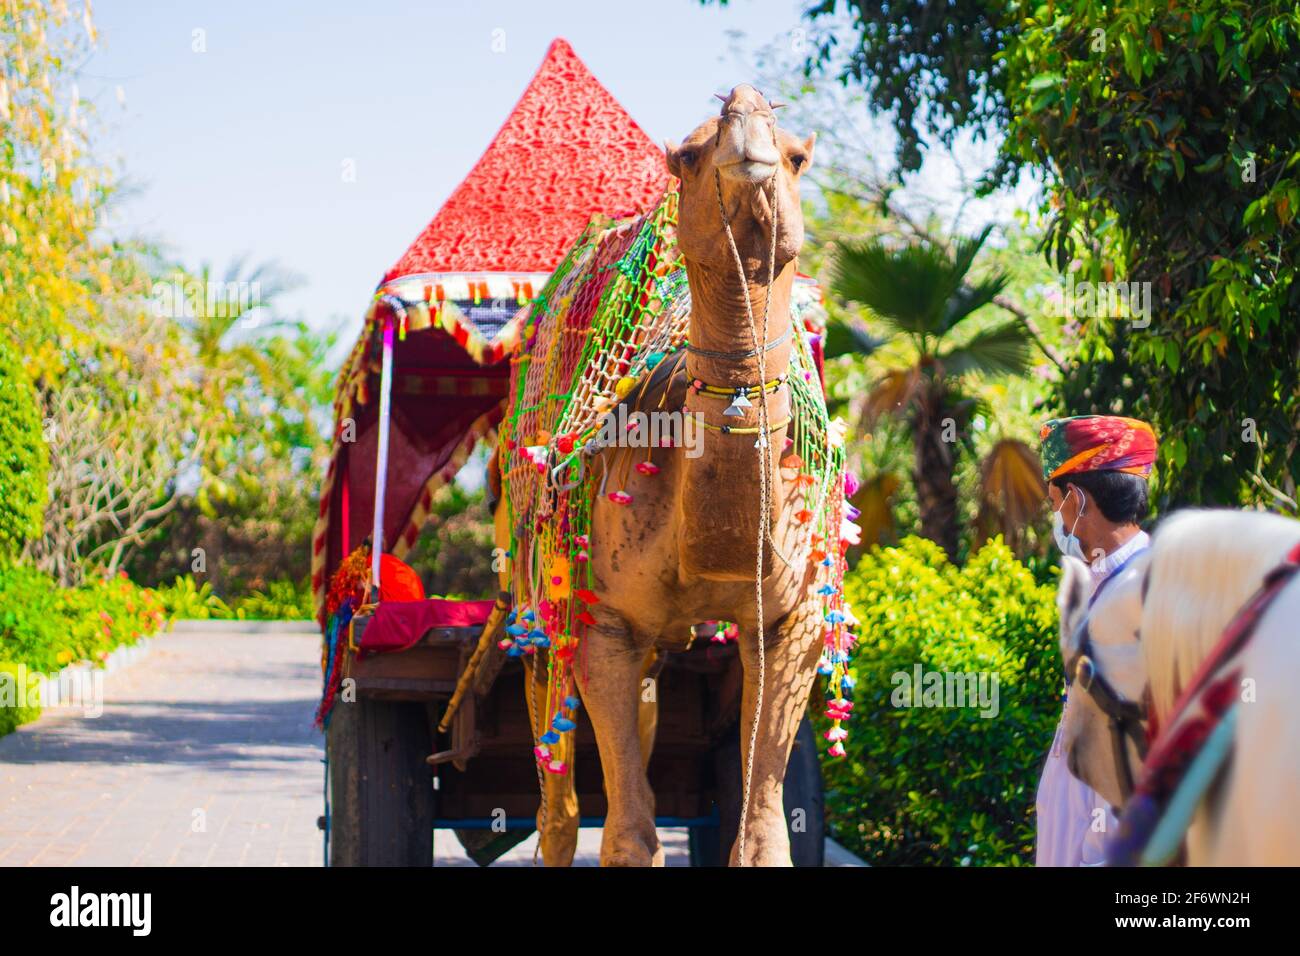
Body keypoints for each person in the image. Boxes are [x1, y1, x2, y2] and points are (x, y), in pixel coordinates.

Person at [1035, 414, 1158, 866]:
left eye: (1055, 501)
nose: (1055, 516)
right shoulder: (1107, 584)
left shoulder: (1136, 598)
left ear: (1079, 500)